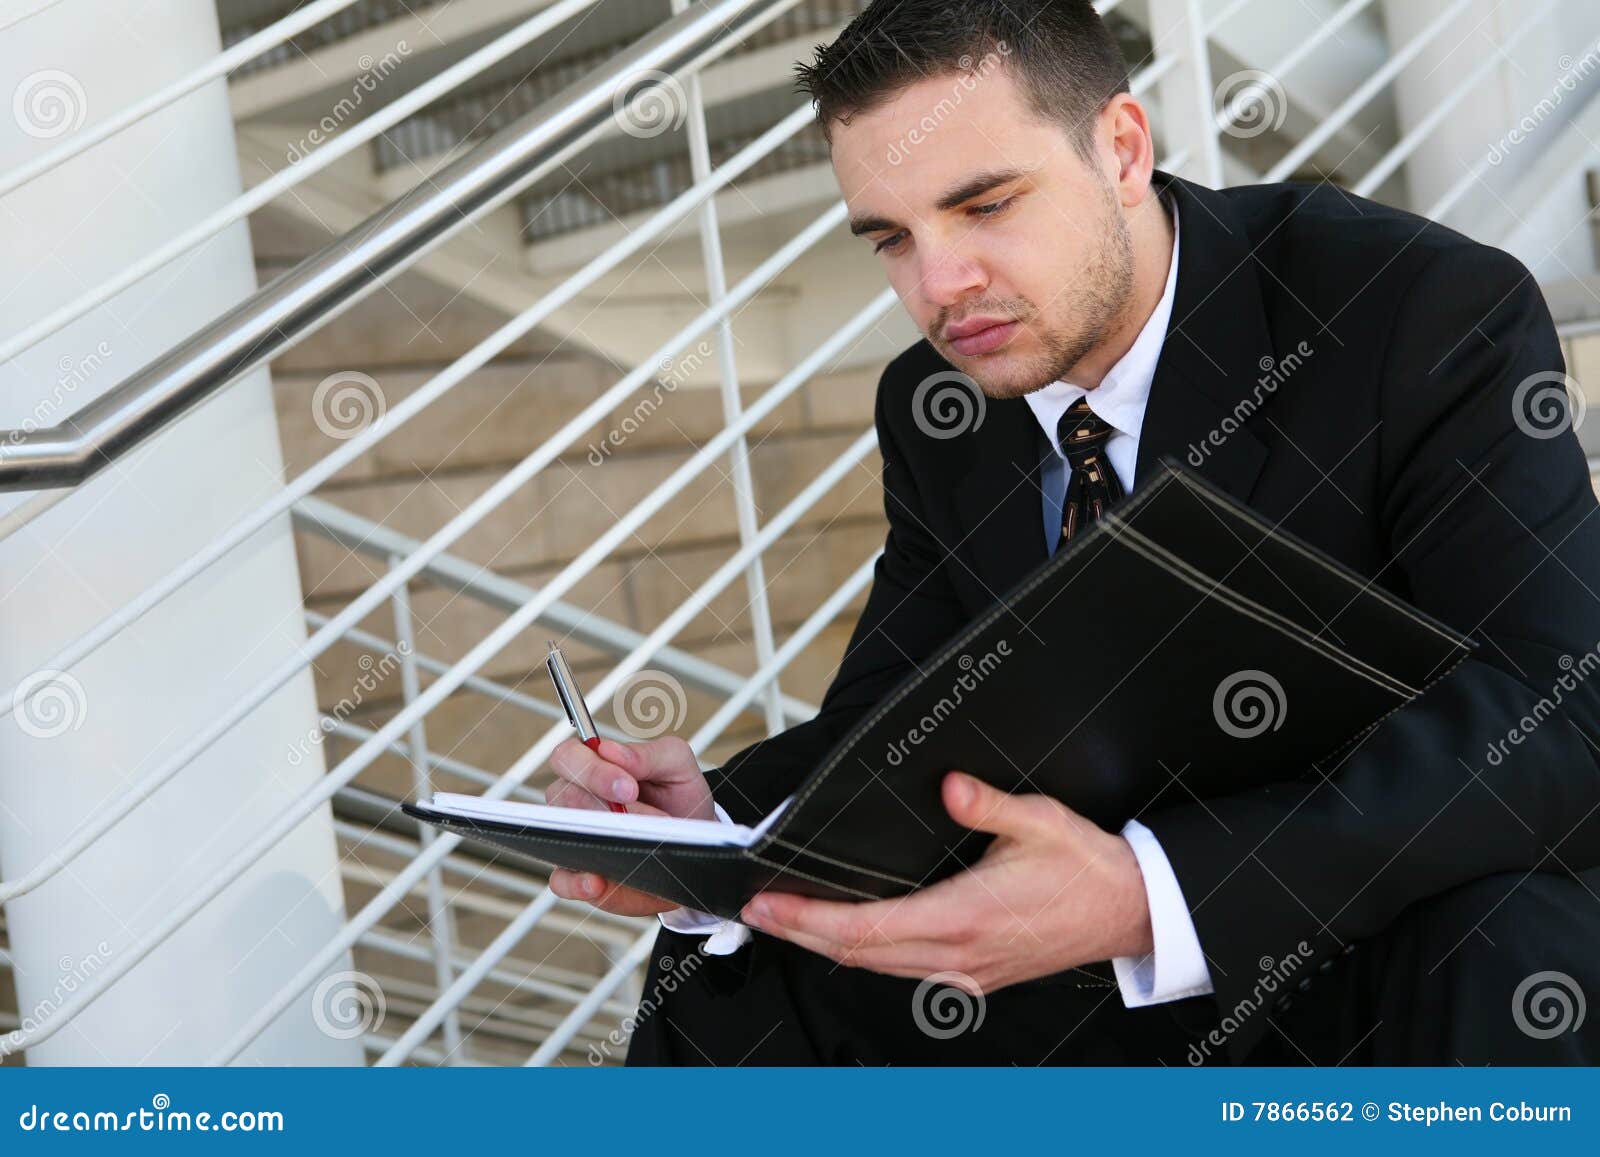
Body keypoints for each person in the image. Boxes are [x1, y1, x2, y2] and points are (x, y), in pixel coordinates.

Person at [544, 0, 1600, 1065]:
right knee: (737, 962)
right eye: (891, 238)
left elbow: (1566, 707)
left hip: (1363, 919)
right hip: (1087, 962)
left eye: (986, 205)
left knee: (1508, 940)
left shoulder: (1414, 309)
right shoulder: (939, 406)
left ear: (1123, 149)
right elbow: (896, 709)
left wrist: (1149, 894)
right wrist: (713, 830)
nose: (940, 286)